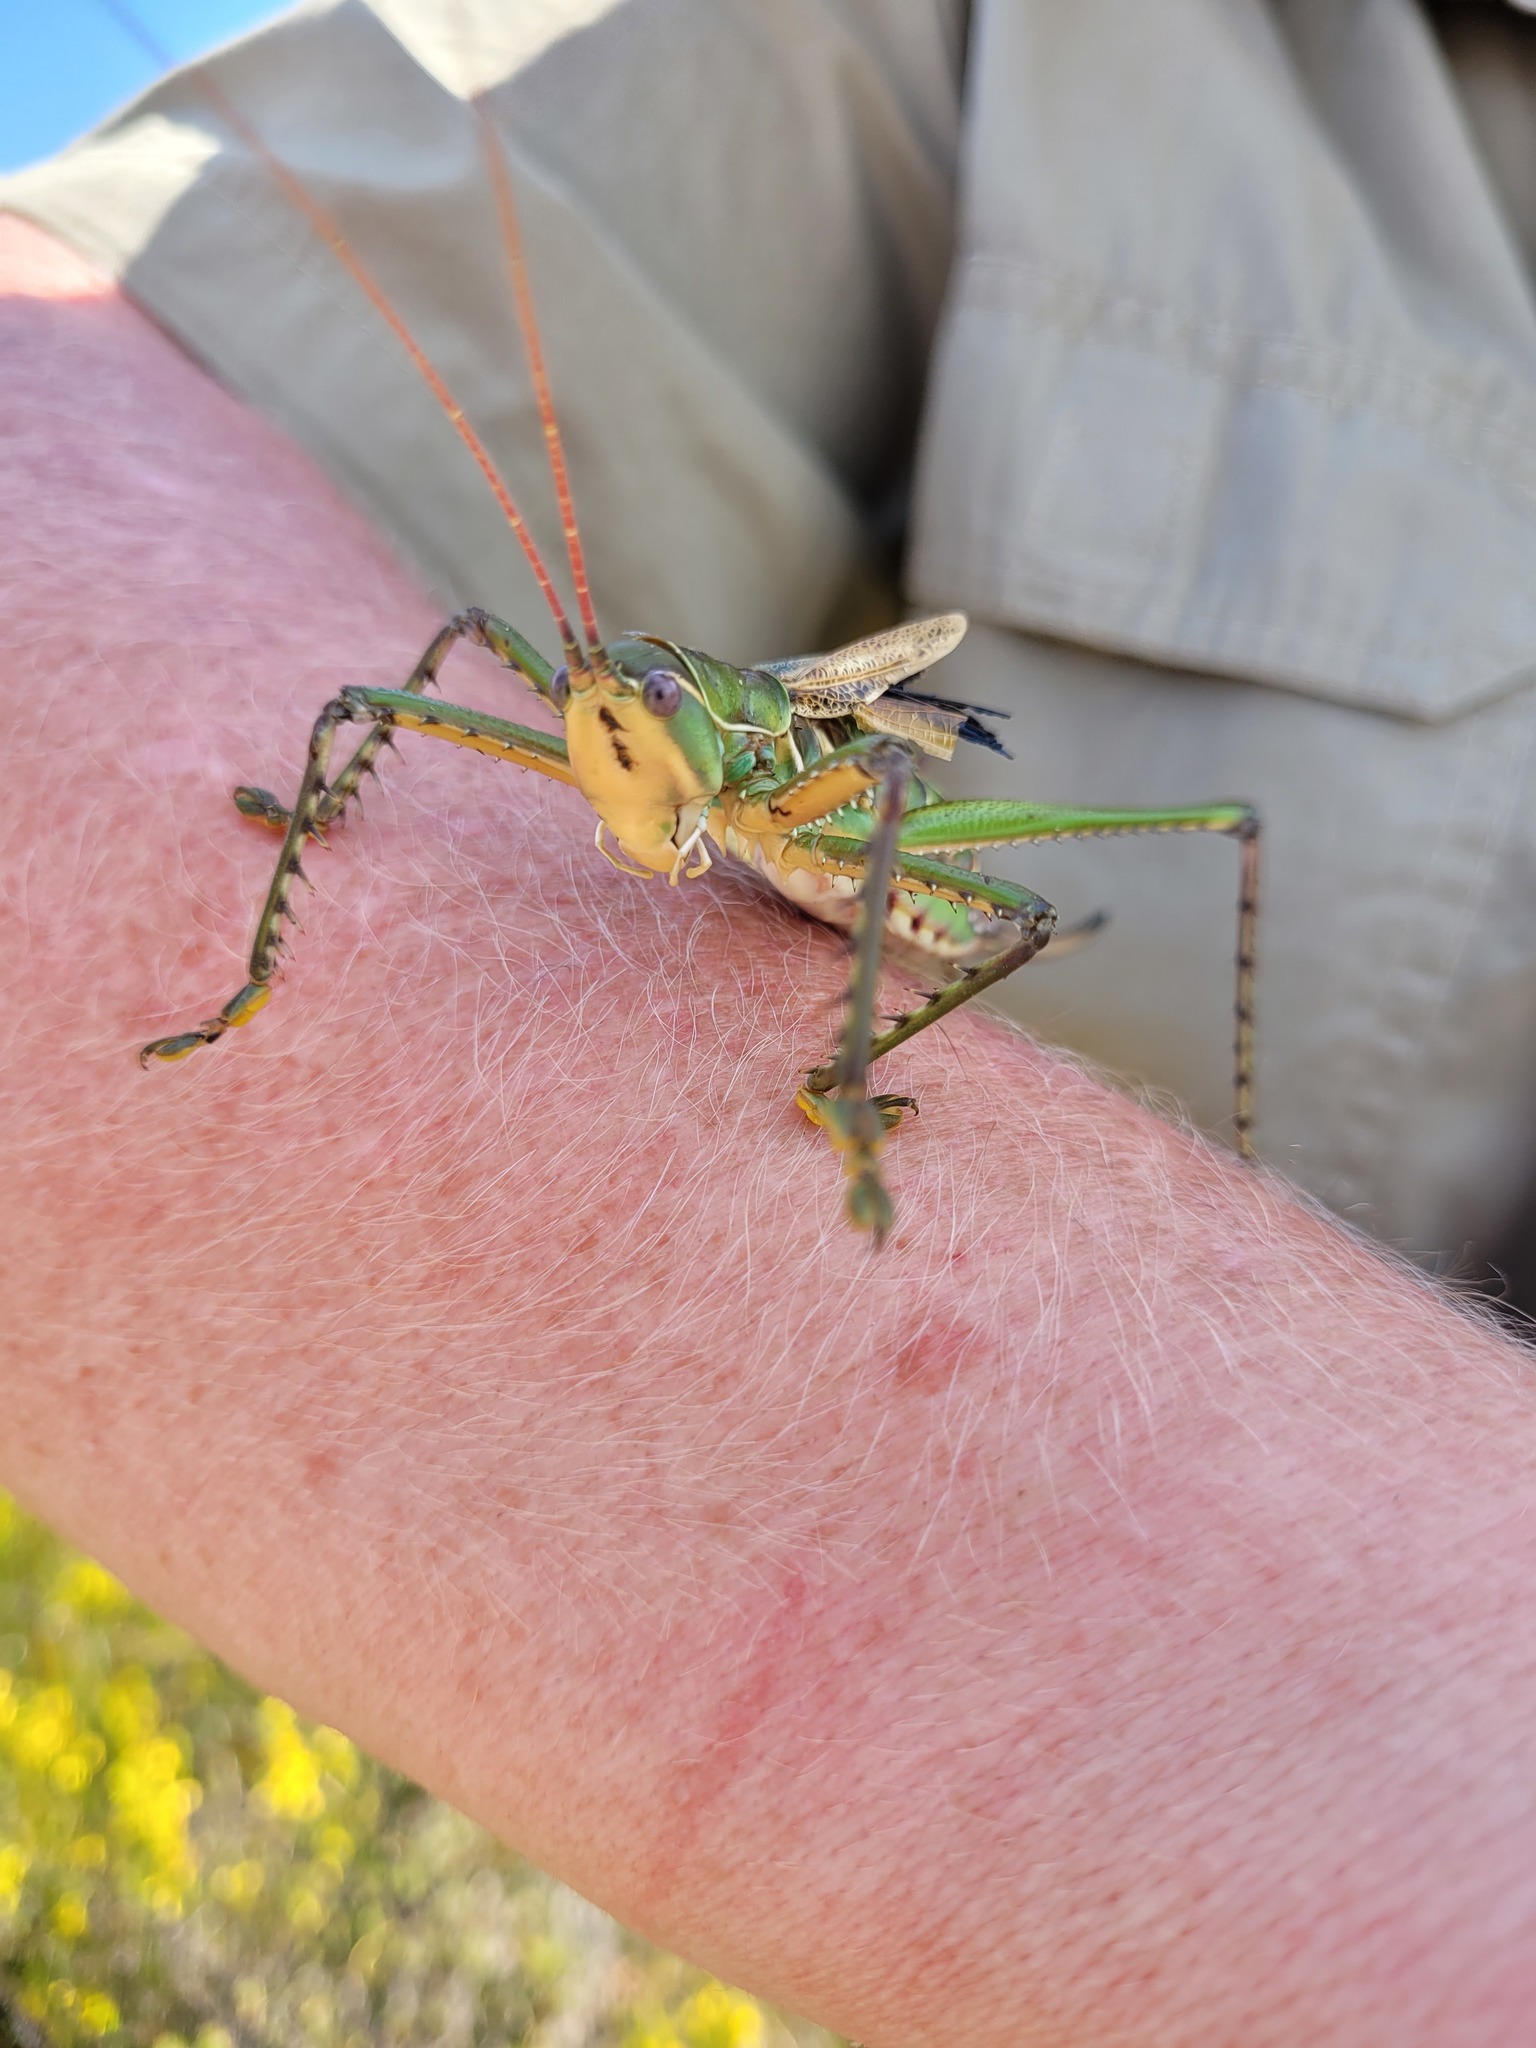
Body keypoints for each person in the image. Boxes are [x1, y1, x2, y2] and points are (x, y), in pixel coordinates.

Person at [5, 2, 1536, 2040]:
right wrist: (273, 948)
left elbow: (878, 808)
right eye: (601, 722)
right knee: (418, 670)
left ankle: (859, 1079)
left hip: (841, 818)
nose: (596, 734)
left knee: (1155, 846)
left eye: (621, 720)